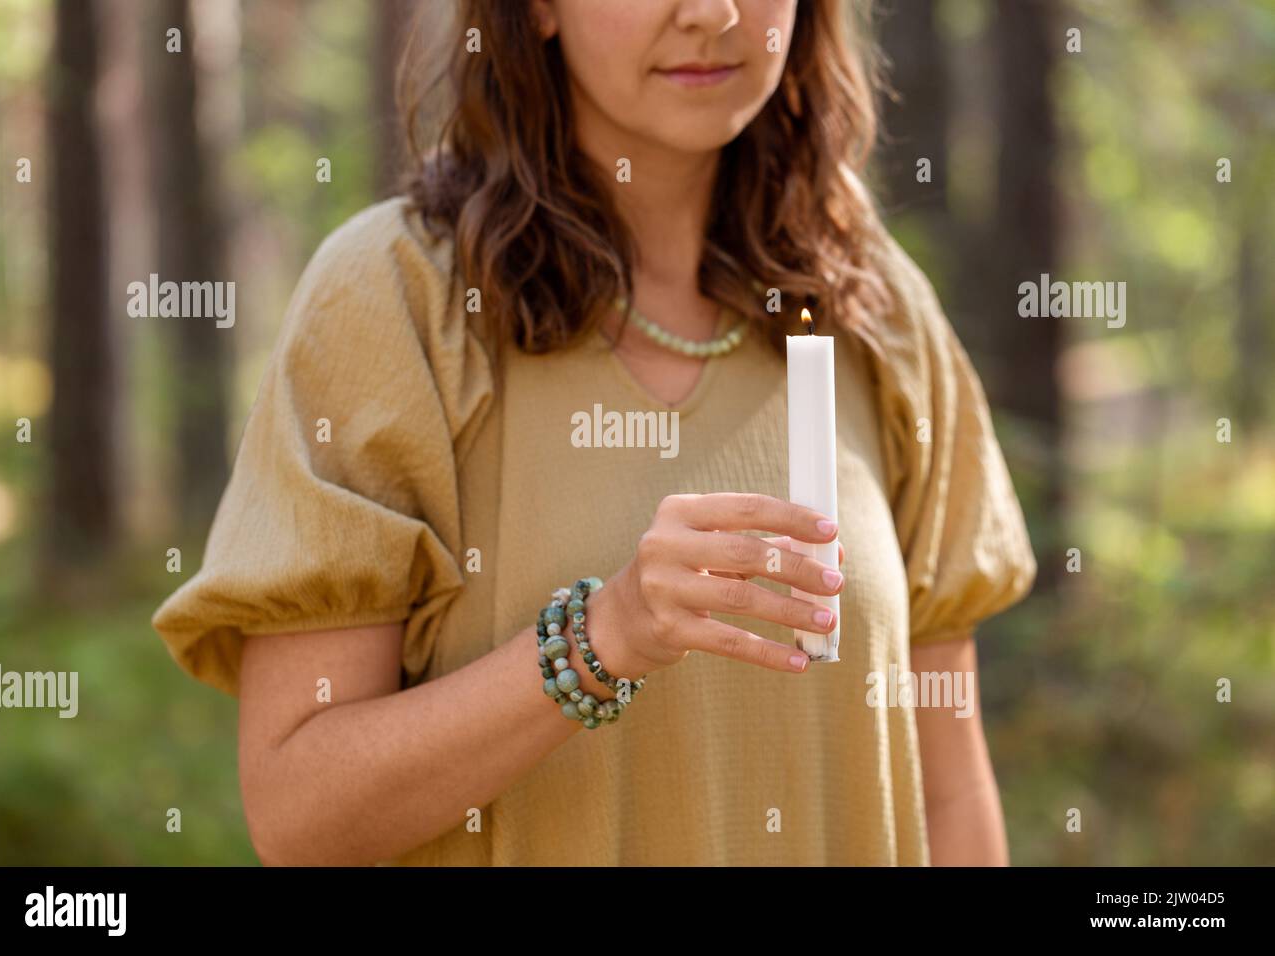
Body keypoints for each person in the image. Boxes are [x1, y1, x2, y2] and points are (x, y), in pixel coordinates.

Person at [152, 0, 1037, 866]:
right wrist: (604, 637)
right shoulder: (394, 301)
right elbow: (297, 816)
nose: (712, 13)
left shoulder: (872, 306)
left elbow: (950, 792)